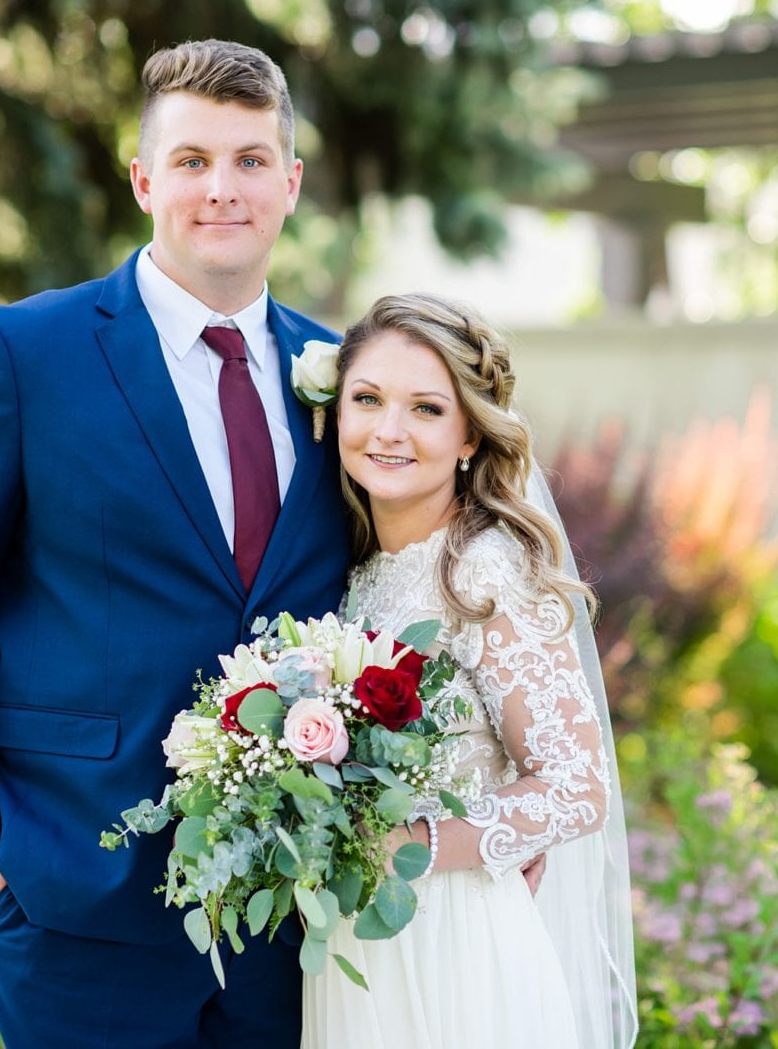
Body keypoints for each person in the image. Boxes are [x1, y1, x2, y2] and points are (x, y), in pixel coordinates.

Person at [0, 40, 352, 1047]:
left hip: (288, 917)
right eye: (191, 161)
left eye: (251, 160)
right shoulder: (20, 354)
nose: (222, 188)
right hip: (73, 902)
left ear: (291, 184)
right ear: (143, 179)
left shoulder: (342, 375)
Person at [303, 294, 638, 1048]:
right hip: (358, 948)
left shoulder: (485, 571)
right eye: (368, 399)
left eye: (426, 408)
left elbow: (577, 788)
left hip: (455, 944)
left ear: (467, 437)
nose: (389, 431)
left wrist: (409, 844)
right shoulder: (361, 570)